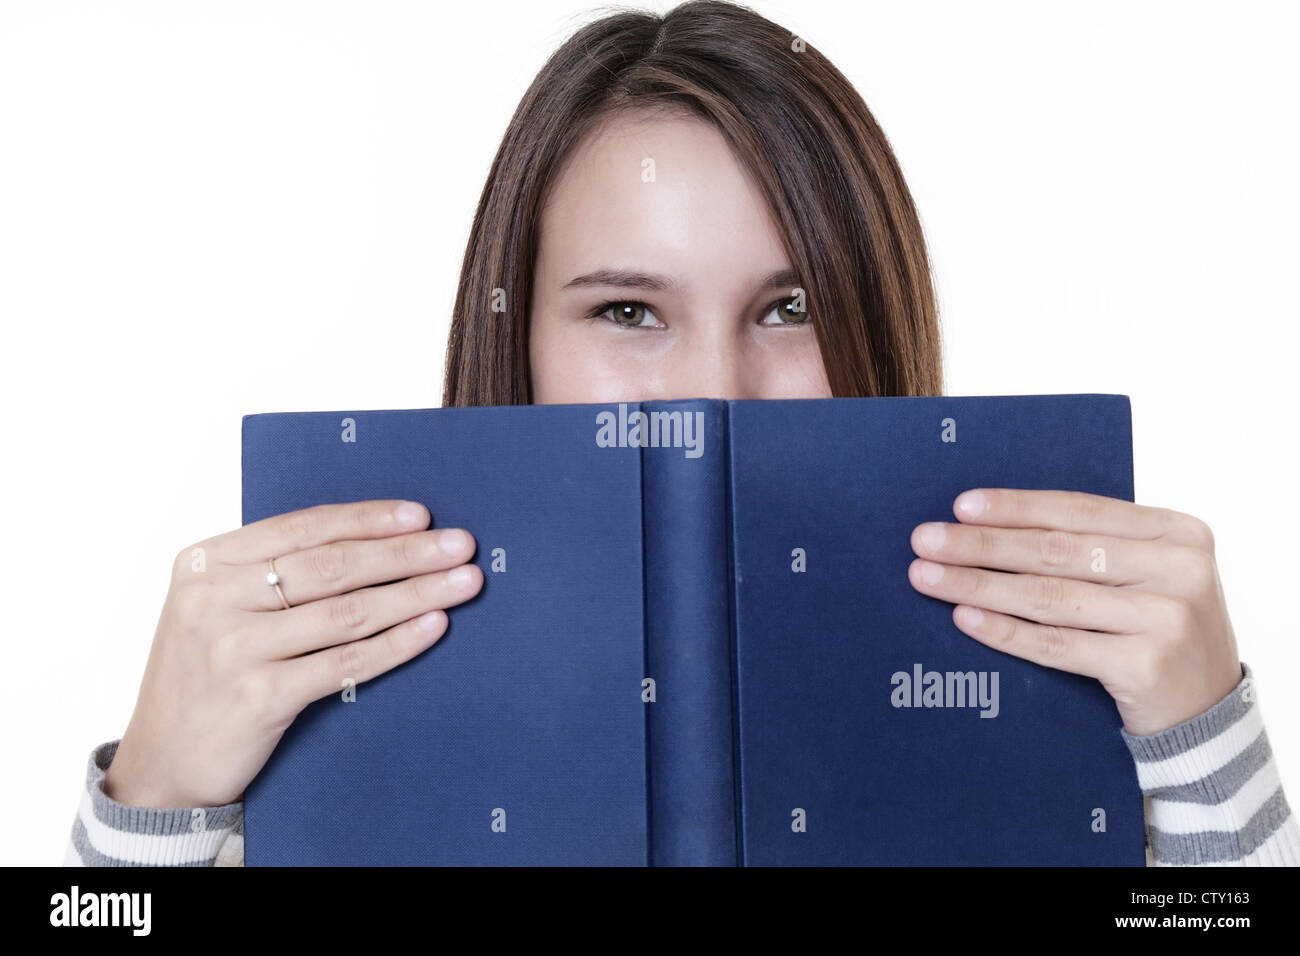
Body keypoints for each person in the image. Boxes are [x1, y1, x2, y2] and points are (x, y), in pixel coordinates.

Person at [65, 0, 1298, 867]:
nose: (712, 389)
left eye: (791, 305)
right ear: (520, 338)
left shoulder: (1057, 703)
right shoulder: (313, 712)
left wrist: (1203, 754)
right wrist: (153, 804)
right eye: (627, 309)